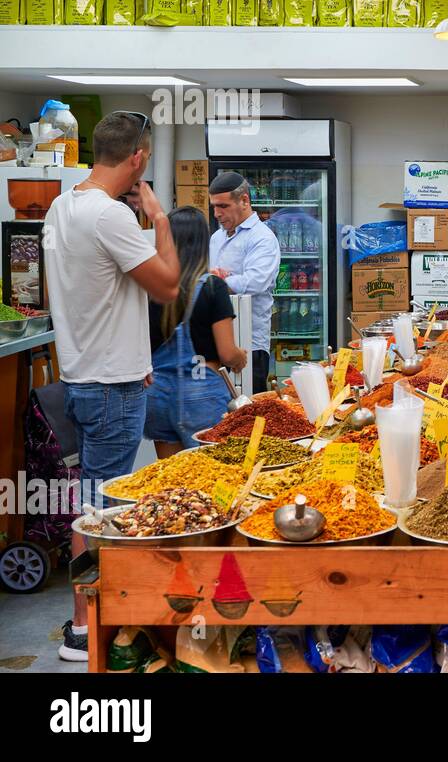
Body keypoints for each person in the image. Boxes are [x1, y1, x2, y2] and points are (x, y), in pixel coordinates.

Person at [44, 111, 180, 661]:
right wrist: (161, 221)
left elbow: (97, 293)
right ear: (138, 159)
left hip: (85, 374)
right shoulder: (111, 217)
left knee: (92, 498)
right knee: (101, 507)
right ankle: (87, 625)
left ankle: (88, 613)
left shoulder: (62, 205)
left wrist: (132, 353)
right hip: (111, 385)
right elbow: (168, 286)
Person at [146, 206, 248, 460]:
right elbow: (226, 352)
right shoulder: (212, 287)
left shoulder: (152, 287)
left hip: (156, 395)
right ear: (203, 243)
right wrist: (240, 358)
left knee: (173, 477)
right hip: (201, 393)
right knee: (209, 473)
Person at [208, 171, 279, 393]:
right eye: (214, 207)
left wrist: (220, 280)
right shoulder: (216, 237)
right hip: (219, 340)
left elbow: (256, 282)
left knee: (249, 410)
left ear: (244, 201)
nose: (217, 214)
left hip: (250, 344)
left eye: (223, 206)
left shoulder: (262, 238)